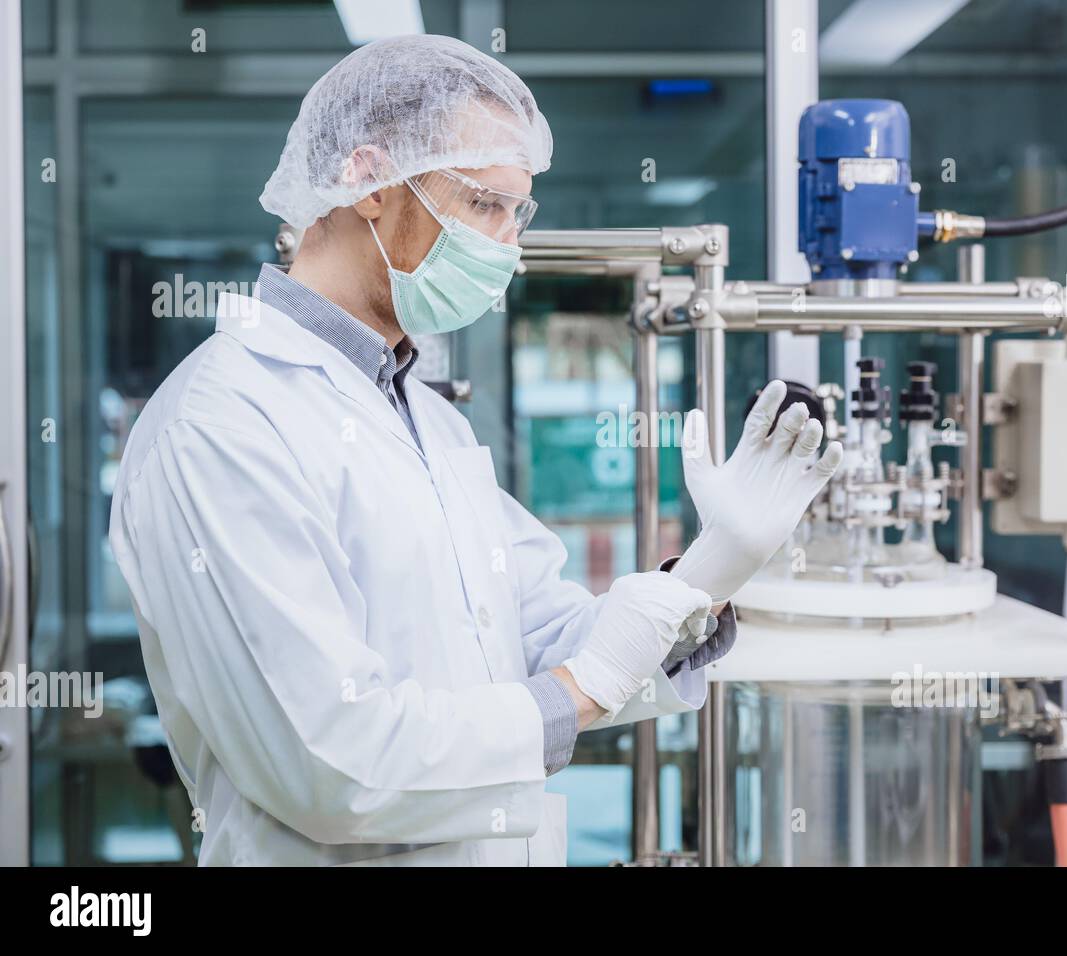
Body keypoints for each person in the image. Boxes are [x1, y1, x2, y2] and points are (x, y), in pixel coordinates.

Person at [108, 34, 841, 866]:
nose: (509, 247)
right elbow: (329, 765)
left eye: (516, 214)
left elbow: (537, 632)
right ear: (370, 181)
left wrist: (712, 570)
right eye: (485, 206)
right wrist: (581, 691)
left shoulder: (422, 412)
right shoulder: (222, 425)